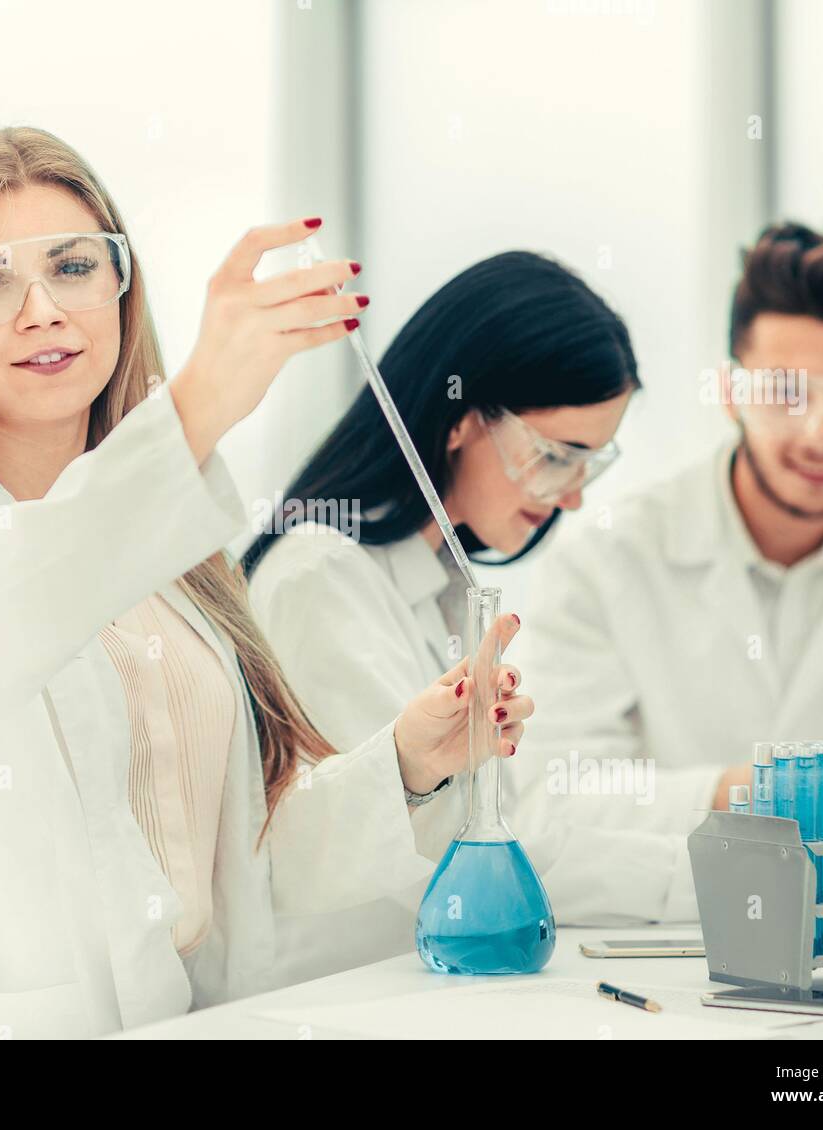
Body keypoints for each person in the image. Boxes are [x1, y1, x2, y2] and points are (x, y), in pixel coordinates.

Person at [0, 126, 531, 1039]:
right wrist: (195, 408)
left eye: (73, 268)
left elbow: (237, 862)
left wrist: (412, 760)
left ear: (121, 289)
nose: (43, 311)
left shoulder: (173, 547)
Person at [245, 251, 686, 977]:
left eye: (590, 464)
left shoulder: (442, 584)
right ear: (460, 419)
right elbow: (461, 851)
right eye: (557, 455)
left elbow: (513, 817)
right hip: (332, 1003)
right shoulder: (320, 576)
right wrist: (703, 880)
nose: (572, 494)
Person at [514, 221, 823, 920]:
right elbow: (548, 801)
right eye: (787, 392)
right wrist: (768, 795)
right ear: (731, 392)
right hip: (645, 959)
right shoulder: (607, 558)